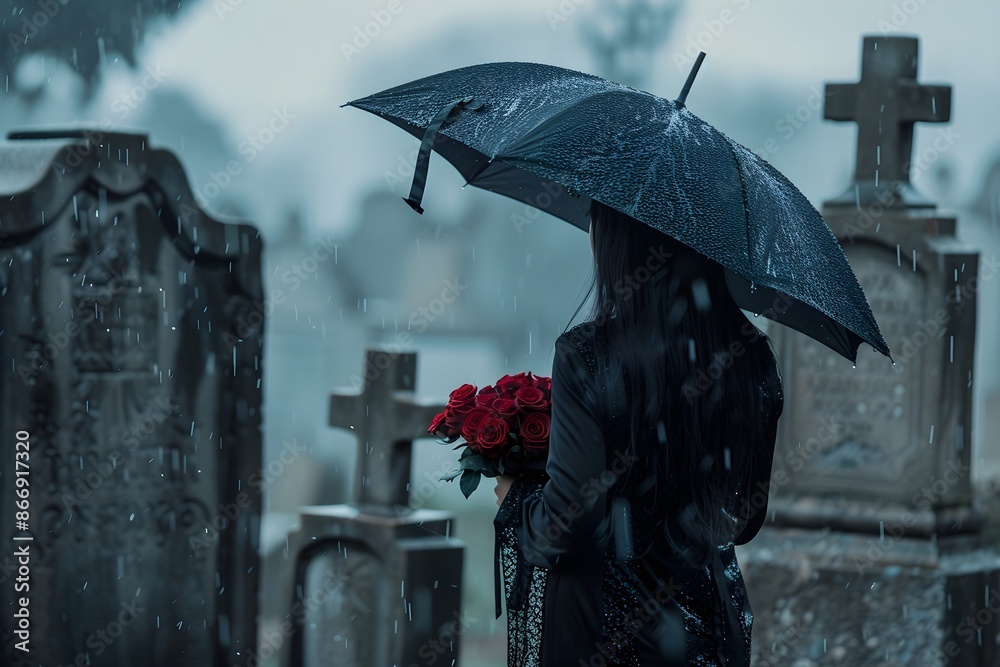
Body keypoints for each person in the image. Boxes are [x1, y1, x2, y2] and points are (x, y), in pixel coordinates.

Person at [494, 198, 784, 666]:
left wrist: (515, 499)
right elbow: (745, 519)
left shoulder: (585, 356)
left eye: (597, 221)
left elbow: (567, 527)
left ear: (619, 242)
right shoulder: (752, 358)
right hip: (711, 625)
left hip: (609, 631)